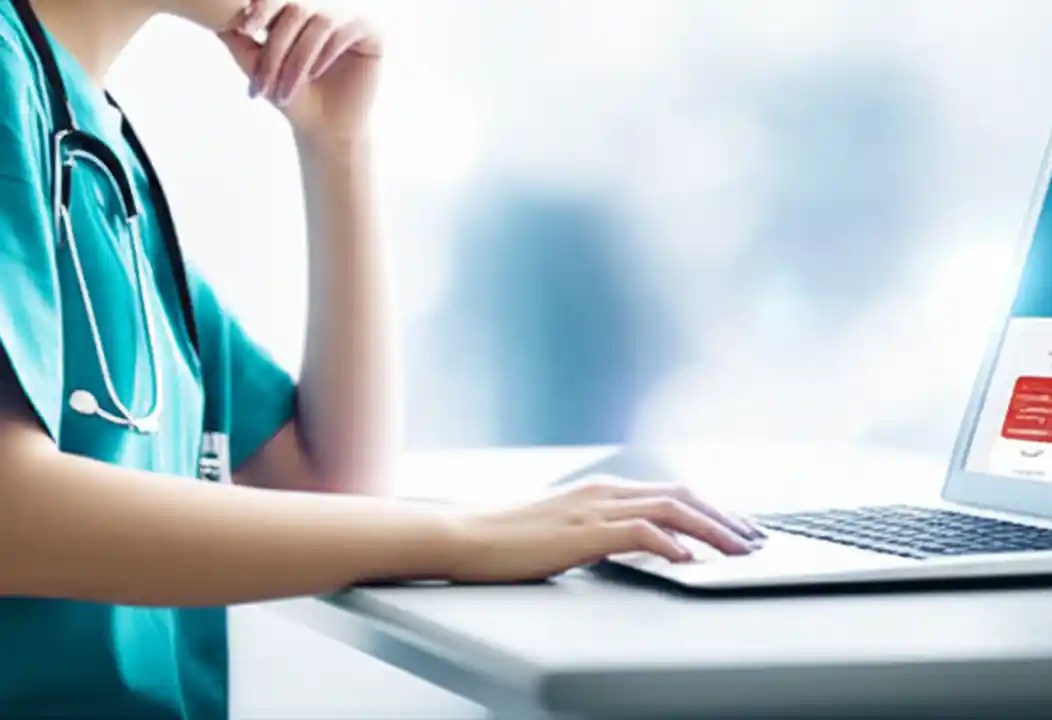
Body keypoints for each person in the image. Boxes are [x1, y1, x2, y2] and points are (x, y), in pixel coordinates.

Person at [0, 1, 764, 717]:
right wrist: (465, 537)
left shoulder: (95, 145)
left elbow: (329, 486)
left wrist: (337, 145)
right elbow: (12, 514)